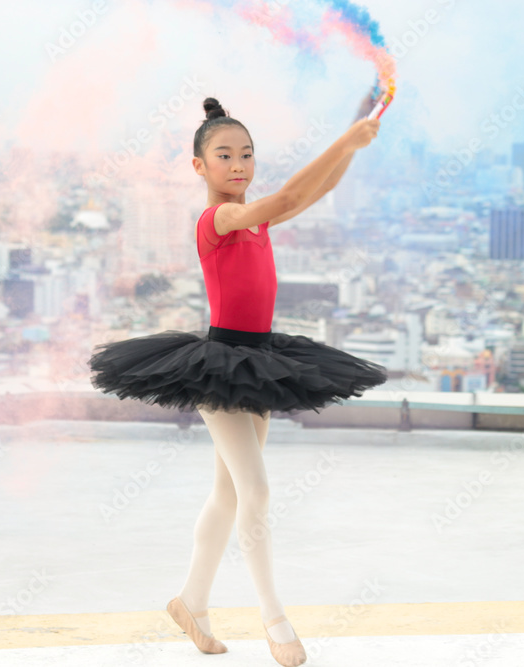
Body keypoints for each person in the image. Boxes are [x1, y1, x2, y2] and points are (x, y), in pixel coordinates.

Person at [88, 93, 387, 666]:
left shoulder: (257, 222)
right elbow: (292, 195)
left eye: (247, 154)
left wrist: (351, 149)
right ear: (199, 168)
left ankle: (190, 604)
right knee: (257, 491)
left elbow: (314, 192)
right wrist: (346, 141)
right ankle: (275, 620)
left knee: (229, 493)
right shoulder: (220, 218)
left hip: (259, 362)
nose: (238, 165)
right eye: (224, 156)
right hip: (219, 367)